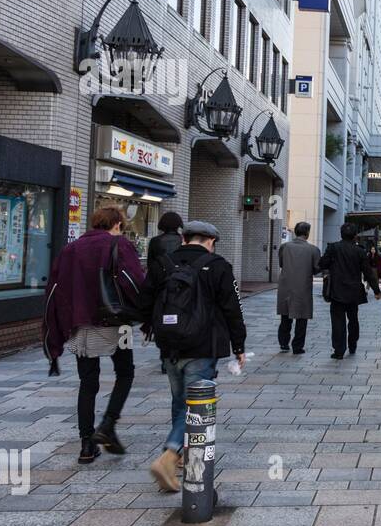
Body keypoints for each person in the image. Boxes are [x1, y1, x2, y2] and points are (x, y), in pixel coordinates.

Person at [137, 220, 246, 492]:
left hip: (169, 345)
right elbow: (233, 309)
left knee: (179, 400)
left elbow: (144, 301)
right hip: (203, 344)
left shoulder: (162, 263)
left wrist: (150, 328)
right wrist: (239, 346)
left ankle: (180, 458)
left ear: (184, 239)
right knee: (193, 404)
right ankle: (170, 454)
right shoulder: (218, 266)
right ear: (210, 241)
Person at [42, 206, 146, 464]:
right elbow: (134, 281)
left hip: (81, 323)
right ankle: (108, 423)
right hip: (114, 321)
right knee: (125, 372)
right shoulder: (118, 245)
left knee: (88, 382)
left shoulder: (71, 249)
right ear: (117, 224)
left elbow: (56, 287)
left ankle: (87, 444)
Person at [320, 223, 381, 359]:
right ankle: (352, 343)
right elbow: (368, 273)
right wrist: (376, 291)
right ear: (355, 236)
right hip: (354, 292)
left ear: (341, 234)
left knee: (338, 321)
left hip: (337, 291)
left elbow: (322, 264)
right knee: (353, 319)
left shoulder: (333, 248)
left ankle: (339, 350)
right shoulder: (360, 251)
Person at [146, 212, 184, 372]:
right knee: (180, 320)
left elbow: (150, 265)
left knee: (162, 322)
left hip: (160, 289)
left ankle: (165, 357)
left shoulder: (155, 242)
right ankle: (178, 352)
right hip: (180, 287)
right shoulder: (183, 241)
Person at [277, 221, 321, 353]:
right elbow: (317, 269)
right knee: (302, 318)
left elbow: (281, 263)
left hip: (285, 286)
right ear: (307, 233)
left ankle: (284, 343)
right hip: (303, 286)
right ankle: (297, 346)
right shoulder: (313, 249)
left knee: (285, 316)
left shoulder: (284, 247)